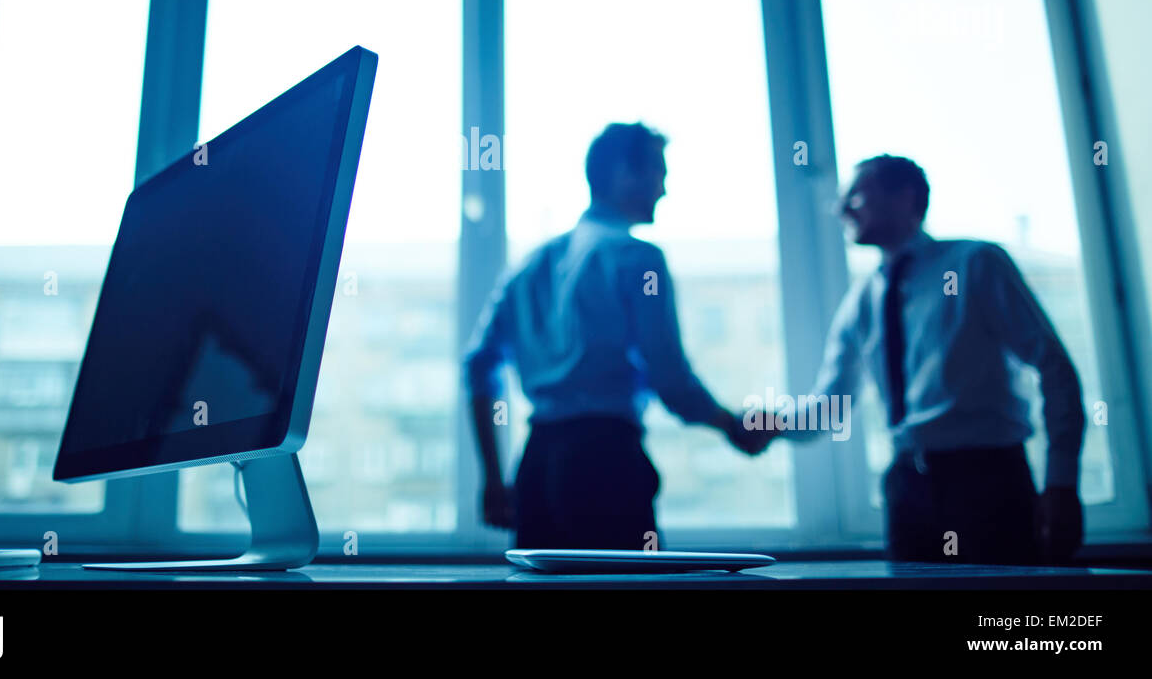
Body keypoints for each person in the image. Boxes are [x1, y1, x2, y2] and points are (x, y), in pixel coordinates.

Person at [744, 154, 1085, 564]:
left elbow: (1054, 367)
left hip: (988, 481)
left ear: (906, 197)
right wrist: (764, 424)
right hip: (907, 487)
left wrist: (1062, 483)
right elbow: (829, 409)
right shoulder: (862, 301)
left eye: (856, 196)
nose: (841, 209)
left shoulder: (976, 264)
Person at [464, 122, 759, 550]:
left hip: (537, 466)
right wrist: (731, 424)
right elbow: (671, 380)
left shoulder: (527, 269)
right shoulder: (639, 258)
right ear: (625, 173)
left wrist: (493, 477)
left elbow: (478, 366)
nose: (664, 190)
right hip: (607, 464)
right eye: (659, 173)